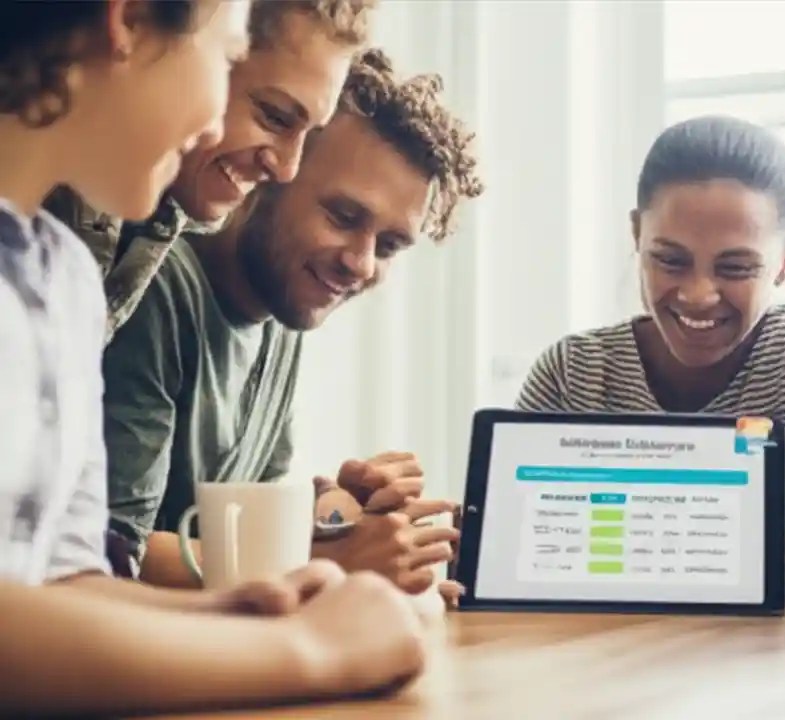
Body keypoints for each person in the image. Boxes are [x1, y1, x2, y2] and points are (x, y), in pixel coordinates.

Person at [0, 1, 424, 714]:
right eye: (227, 60)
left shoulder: (65, 277)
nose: (284, 168)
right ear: (129, 21)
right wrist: (310, 650)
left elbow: (61, 582)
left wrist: (249, 608)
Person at [102, 48, 485, 595]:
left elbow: (230, 528)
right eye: (343, 217)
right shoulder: (159, 287)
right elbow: (115, 551)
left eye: (389, 245)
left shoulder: (282, 313)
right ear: (274, 173)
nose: (361, 263)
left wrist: (339, 516)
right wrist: (325, 566)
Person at [516, 115, 785, 601]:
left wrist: (631, 552)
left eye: (735, 268)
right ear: (636, 235)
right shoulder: (572, 373)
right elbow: (508, 546)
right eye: (670, 260)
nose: (698, 295)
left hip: (760, 647)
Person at [44, 0, 377, 343]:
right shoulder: (47, 193)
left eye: (309, 136)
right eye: (275, 117)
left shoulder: (164, 215)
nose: (286, 170)